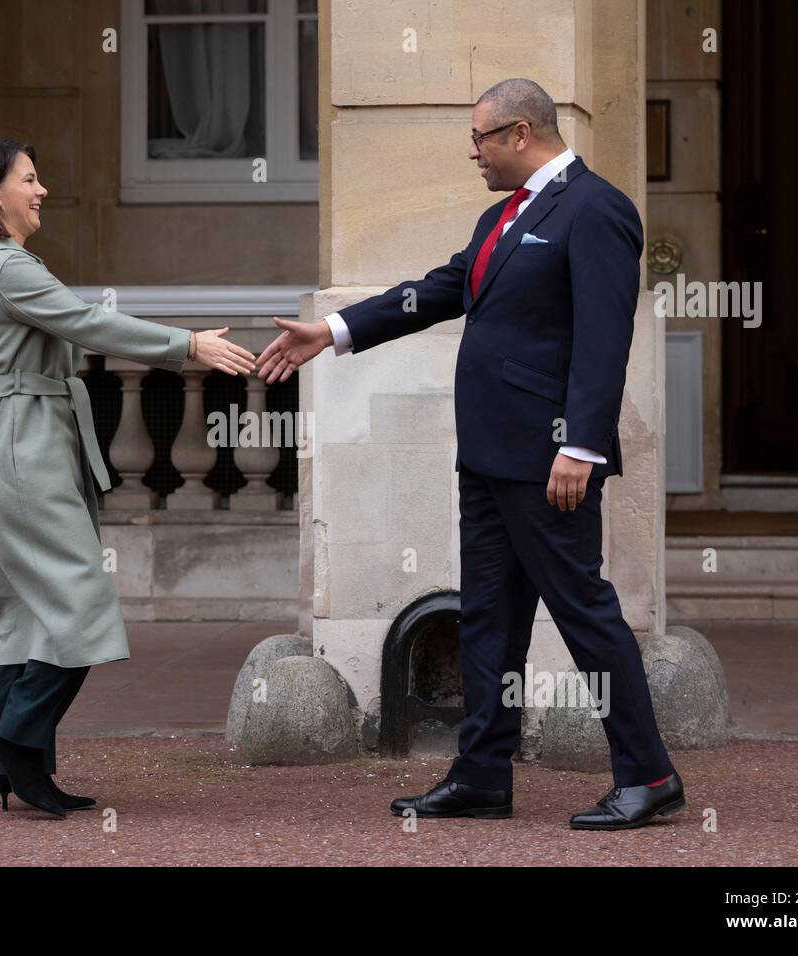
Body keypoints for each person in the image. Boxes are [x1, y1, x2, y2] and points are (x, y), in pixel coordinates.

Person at [255, 78, 683, 830]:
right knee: (489, 619)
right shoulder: (501, 218)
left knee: (584, 612)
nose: (471, 152)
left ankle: (648, 775)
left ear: (520, 132)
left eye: (480, 138)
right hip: (487, 458)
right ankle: (483, 775)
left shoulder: (598, 209)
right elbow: (437, 290)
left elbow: (604, 341)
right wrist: (331, 331)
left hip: (552, 462)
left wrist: (579, 446)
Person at [0, 138, 255, 817]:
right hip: (22, 449)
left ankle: (19, 765)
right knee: (80, 607)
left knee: (25, 614)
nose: (42, 189)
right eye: (30, 178)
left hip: (16, 444)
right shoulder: (5, 268)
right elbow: (90, 323)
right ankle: (15, 743)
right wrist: (189, 344)